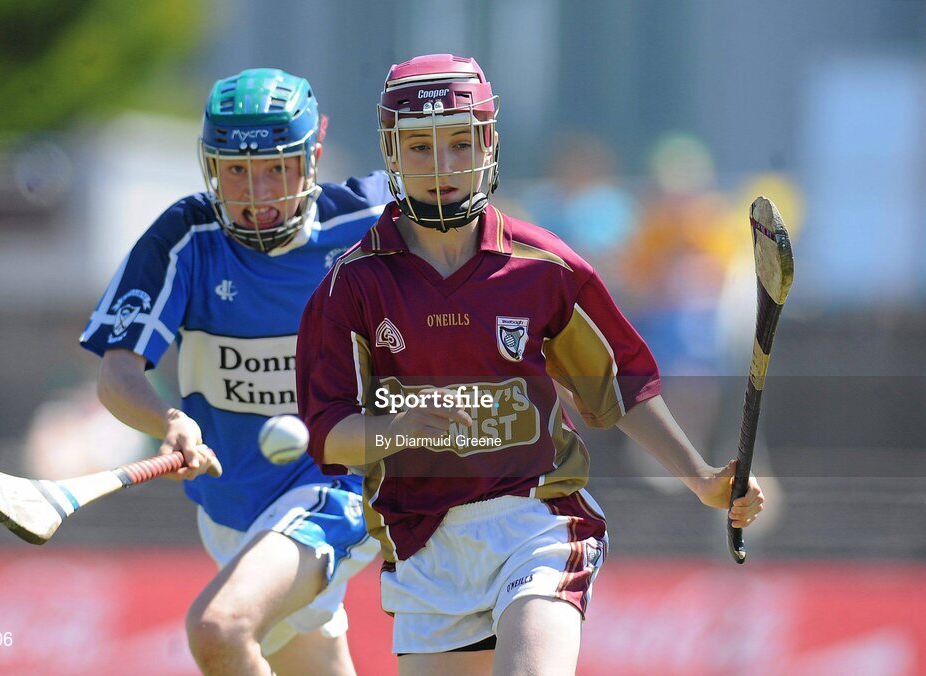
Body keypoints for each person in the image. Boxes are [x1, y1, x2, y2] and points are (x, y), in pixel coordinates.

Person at [296, 54, 765, 675]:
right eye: (419, 148)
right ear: (391, 152)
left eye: (460, 144)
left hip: (535, 521)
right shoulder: (350, 286)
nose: (442, 168)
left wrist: (701, 475)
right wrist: (412, 428)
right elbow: (329, 438)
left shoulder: (544, 267)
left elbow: (619, 386)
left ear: (488, 144)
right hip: (422, 544)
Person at [80, 68, 391, 676]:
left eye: (277, 167)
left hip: (340, 484)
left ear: (314, 157)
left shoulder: (371, 221)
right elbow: (117, 372)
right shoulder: (187, 236)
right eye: (235, 170)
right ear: (209, 167)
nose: (256, 191)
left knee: (220, 629)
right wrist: (167, 419)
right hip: (228, 510)